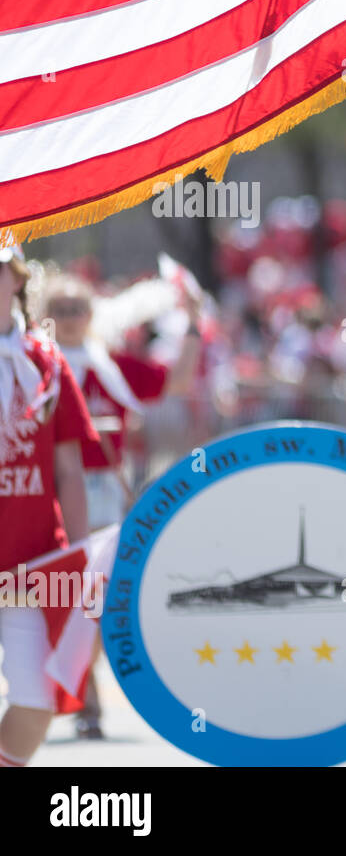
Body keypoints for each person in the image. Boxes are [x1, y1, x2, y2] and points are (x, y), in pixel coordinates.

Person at [41, 273, 203, 739]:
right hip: (44, 490)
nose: (71, 319)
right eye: (61, 309)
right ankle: (75, 690)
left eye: (78, 309)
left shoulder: (110, 365)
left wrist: (192, 323)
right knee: (60, 593)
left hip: (103, 489)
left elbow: (176, 382)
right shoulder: (34, 362)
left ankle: (84, 690)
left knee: (94, 592)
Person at [0, 246, 98, 767]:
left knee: (37, 701)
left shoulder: (47, 361)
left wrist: (78, 557)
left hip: (33, 567)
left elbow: (68, 471)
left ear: (15, 279)